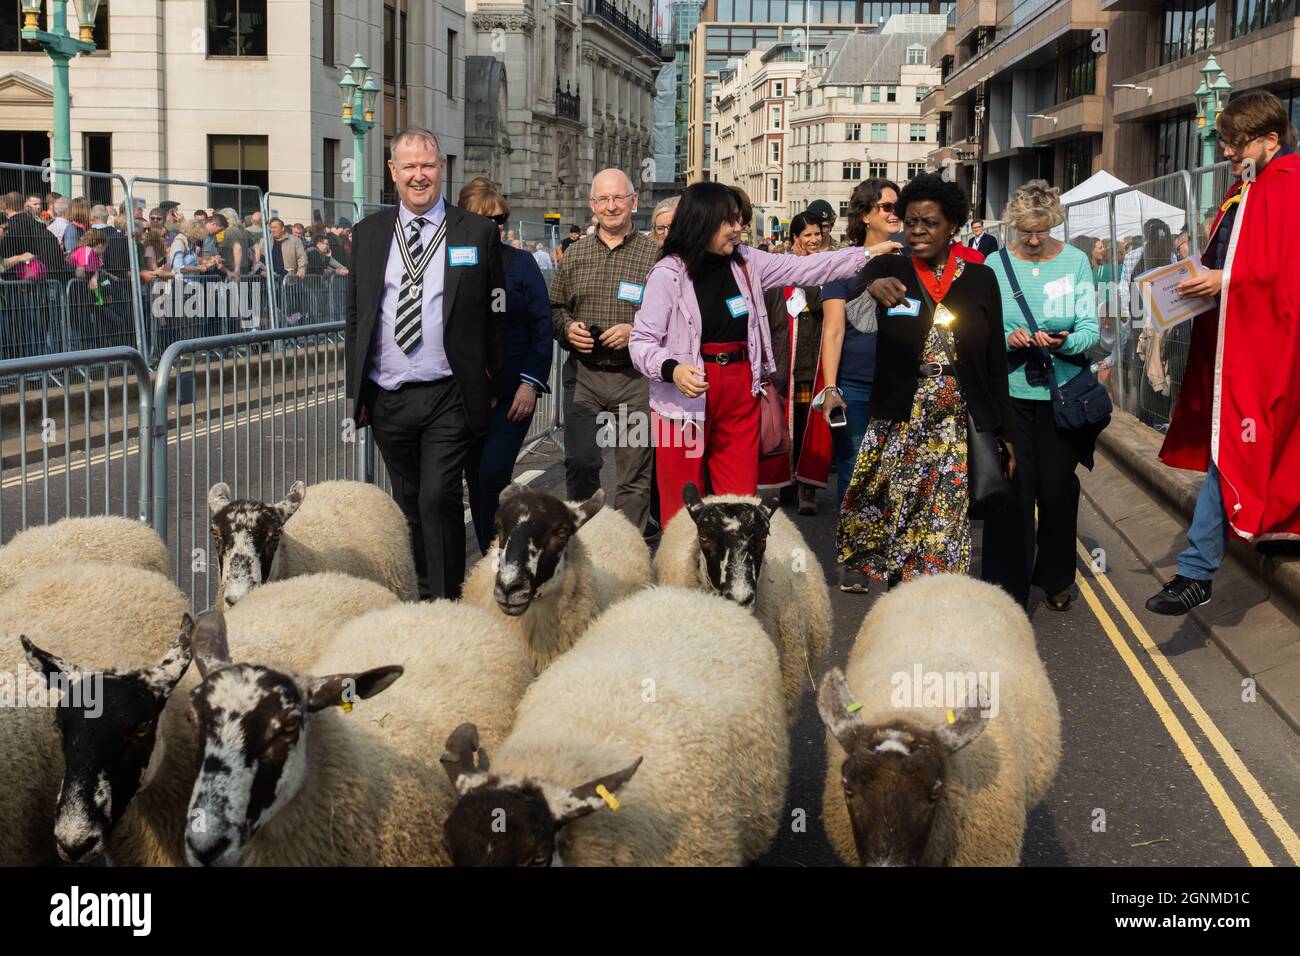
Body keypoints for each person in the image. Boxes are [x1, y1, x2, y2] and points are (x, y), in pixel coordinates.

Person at [629, 182, 884, 526]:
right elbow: (641, 342)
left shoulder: (748, 262)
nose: (738, 229)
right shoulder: (668, 274)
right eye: (729, 221)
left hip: (739, 390)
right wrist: (672, 369)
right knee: (684, 500)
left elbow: (807, 268)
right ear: (702, 221)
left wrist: (868, 254)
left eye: (738, 220)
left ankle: (735, 575)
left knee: (739, 502)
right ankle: (685, 575)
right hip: (683, 396)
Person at [1149, 90, 1300, 613]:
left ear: (1270, 139)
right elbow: (1226, 258)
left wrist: (1224, 279)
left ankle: (1196, 570)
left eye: (1237, 143)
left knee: (1233, 448)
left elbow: (1288, 274)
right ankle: (1275, 531)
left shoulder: (1289, 185)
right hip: (1234, 342)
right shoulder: (1246, 190)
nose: (1230, 153)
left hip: (1268, 345)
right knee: (1241, 446)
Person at [346, 127, 506, 600]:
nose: (420, 176)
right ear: (393, 172)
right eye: (409, 167)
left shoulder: (474, 232)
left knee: (440, 497)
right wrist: (356, 389)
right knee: (411, 503)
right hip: (389, 395)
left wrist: (491, 375)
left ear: (442, 169)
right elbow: (357, 314)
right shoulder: (369, 234)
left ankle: (446, 602)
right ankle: (424, 596)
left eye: (428, 166)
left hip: (449, 393)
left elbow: (497, 308)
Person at [841, 172, 1015, 589]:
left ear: (952, 225)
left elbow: (994, 360)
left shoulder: (979, 278)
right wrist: (872, 286)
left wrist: (1003, 432)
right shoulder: (891, 266)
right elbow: (855, 306)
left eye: (930, 222)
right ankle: (901, 617)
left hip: (955, 426)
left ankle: (939, 618)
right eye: (911, 221)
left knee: (943, 535)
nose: (918, 230)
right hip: (899, 422)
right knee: (898, 530)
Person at [980, 180, 1100, 611]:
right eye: (1026, 231)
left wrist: (1063, 341)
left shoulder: (1076, 262)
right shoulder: (993, 264)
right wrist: (1009, 339)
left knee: (1055, 491)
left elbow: (1091, 329)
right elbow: (980, 332)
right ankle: (1003, 589)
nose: (1033, 239)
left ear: (1054, 224)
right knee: (1012, 492)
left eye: (1042, 230)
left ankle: (1055, 578)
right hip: (1009, 395)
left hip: (1062, 395)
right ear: (1013, 225)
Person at [551, 168, 659, 532]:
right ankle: (587, 543)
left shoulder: (656, 256)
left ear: (633, 201)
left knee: (634, 472)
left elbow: (673, 315)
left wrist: (636, 331)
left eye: (618, 198)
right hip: (585, 377)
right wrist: (567, 329)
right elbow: (555, 309)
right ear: (592, 205)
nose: (611, 206)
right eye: (603, 199)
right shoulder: (575, 255)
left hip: (634, 378)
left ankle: (626, 552)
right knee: (581, 462)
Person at [458, 177, 553, 554]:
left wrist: (530, 384)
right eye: (487, 220)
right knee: (474, 478)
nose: (497, 227)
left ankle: (503, 553)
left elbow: (542, 327)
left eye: (501, 219)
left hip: (513, 394)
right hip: (465, 395)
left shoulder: (522, 263)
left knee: (493, 474)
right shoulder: (453, 263)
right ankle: (487, 557)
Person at [816, 178, 902, 590]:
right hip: (855, 382)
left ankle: (896, 550)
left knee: (899, 469)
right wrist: (831, 387)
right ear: (865, 213)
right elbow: (833, 330)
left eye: (895, 207)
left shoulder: (911, 261)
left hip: (903, 380)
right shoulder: (842, 265)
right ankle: (856, 558)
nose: (893, 213)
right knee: (855, 470)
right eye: (885, 207)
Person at [761, 211, 827, 511]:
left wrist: (810, 271)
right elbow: (770, 314)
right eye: (807, 235)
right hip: (786, 358)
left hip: (814, 358)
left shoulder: (829, 266)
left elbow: (818, 304)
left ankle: (808, 488)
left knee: (811, 424)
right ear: (795, 239)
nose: (813, 240)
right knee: (786, 424)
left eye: (817, 234)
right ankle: (787, 483)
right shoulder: (781, 268)